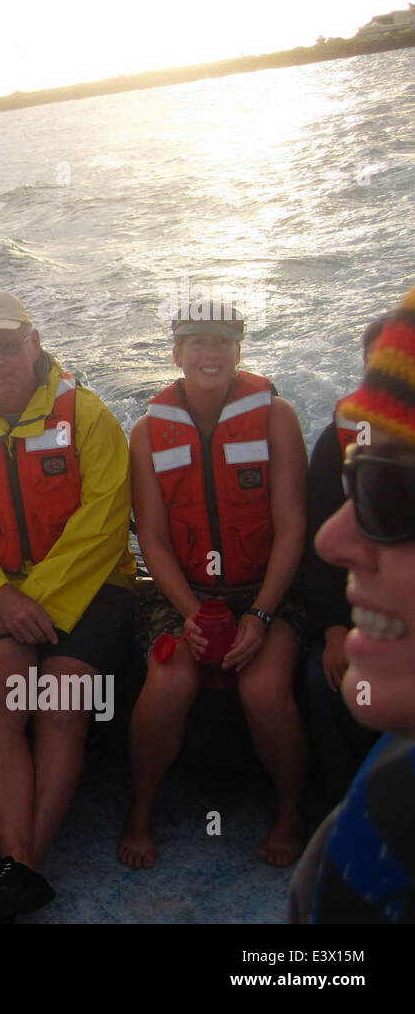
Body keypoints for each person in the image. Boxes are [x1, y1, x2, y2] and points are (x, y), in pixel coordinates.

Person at [0, 290, 135, 922]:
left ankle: (20, 866)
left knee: (61, 700)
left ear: (33, 342)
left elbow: (105, 523)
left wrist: (30, 601)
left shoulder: (87, 415)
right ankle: (21, 871)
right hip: (2, 592)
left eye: (7, 345)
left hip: (93, 588)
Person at [119, 309, 308, 870]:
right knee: (168, 684)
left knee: (264, 690)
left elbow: (293, 527)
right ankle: (142, 811)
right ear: (176, 354)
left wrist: (263, 616)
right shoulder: (149, 432)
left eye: (223, 342)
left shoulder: (276, 417)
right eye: (197, 342)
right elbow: (151, 537)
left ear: (238, 351)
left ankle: (293, 810)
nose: (211, 353)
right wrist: (193, 614)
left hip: (266, 590)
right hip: (183, 592)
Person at [288, 286, 415, 923]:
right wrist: (334, 628)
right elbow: (314, 561)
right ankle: (321, 795)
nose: (334, 537)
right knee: (321, 679)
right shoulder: (378, 821)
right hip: (348, 620)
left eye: (394, 494)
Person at [302, 316, 389, 809]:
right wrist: (335, 630)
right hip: (361, 613)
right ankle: (344, 816)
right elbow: (321, 547)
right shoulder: (336, 444)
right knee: (323, 678)